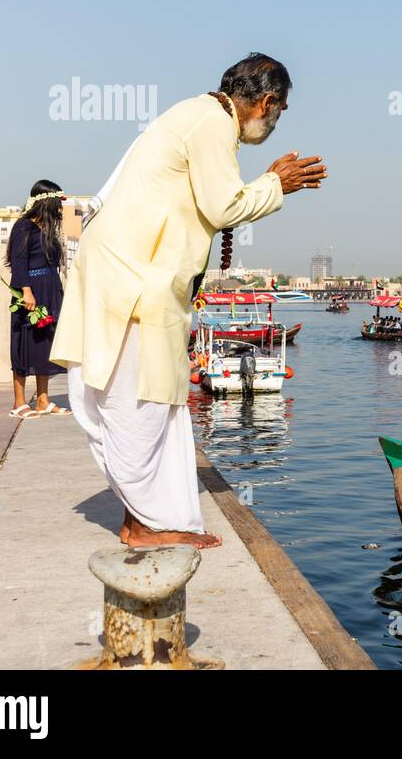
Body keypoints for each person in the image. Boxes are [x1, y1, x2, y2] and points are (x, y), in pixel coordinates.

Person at [52, 53, 326, 550]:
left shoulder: (199, 117)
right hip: (136, 280)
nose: (277, 119)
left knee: (160, 399)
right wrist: (276, 184)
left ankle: (149, 518)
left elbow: (210, 205)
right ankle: (149, 525)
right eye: (281, 109)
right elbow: (223, 207)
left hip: (129, 274)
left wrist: (263, 183)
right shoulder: (212, 124)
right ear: (266, 102)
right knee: (145, 401)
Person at [5, 180, 69, 418]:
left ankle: (43, 400)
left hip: (50, 290)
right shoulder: (23, 226)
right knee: (24, 343)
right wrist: (26, 290)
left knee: (45, 345)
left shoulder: (48, 230)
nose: (59, 209)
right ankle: (19, 402)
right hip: (30, 291)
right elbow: (18, 261)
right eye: (56, 204)